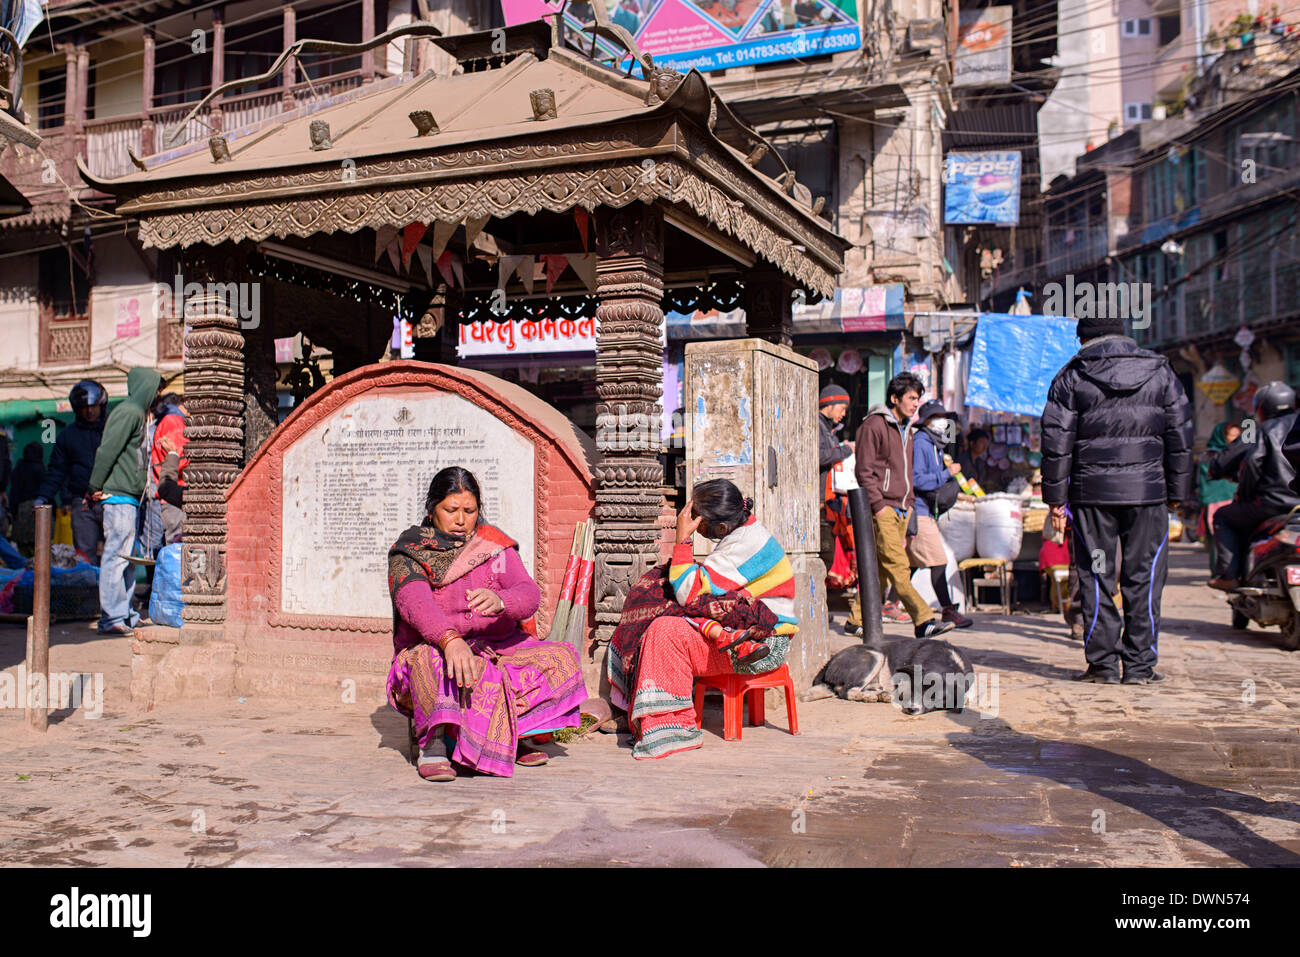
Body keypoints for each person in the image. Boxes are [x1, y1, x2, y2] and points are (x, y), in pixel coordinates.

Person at [386, 467, 586, 782]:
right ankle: (434, 743)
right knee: (429, 662)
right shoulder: (411, 551)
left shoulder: (492, 547)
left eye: (470, 510)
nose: (461, 519)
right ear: (432, 509)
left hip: (497, 647)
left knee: (560, 657)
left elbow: (529, 593)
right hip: (437, 648)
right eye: (450, 510)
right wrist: (450, 641)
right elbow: (414, 603)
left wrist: (502, 601)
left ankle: (515, 737)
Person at [1041, 315, 1192, 685]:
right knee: (1145, 578)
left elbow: (1056, 443)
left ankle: (1104, 666)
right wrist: (1177, 494)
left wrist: (1055, 500)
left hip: (1091, 497)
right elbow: (1181, 438)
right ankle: (1140, 667)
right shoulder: (1161, 373)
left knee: (1096, 575)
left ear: (1083, 339)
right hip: (1149, 495)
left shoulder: (1071, 376)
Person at [608, 479, 797, 760]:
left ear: (721, 528)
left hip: (763, 645)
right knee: (653, 605)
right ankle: (644, 714)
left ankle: (672, 728)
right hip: (746, 633)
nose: (695, 525)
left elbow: (690, 593)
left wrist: (682, 540)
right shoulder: (743, 533)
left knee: (665, 630)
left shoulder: (743, 544)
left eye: (698, 521)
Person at [847, 373, 955, 640]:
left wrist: (907, 505)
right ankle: (923, 619)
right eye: (910, 398)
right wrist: (879, 505)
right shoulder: (874, 425)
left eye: (918, 399)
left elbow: (906, 473)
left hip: (901, 509)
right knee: (898, 566)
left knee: (882, 570)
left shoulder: (907, 429)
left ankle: (855, 620)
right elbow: (865, 470)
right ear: (895, 398)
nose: (915, 404)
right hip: (883, 508)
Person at [87, 367, 162, 636]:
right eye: (156, 389)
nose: (159, 395)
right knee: (116, 558)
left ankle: (125, 614)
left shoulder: (139, 416)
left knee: (127, 560)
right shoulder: (128, 412)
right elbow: (107, 450)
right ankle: (111, 618)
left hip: (129, 499)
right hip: (118, 497)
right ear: (147, 388)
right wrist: (94, 486)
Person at [1208, 382, 1300, 590]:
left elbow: (1244, 461)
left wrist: (1244, 493)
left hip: (1271, 505)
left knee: (1223, 516)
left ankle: (1229, 574)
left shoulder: (1253, 427)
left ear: (1262, 408)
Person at [910, 400, 972, 628]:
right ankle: (947, 610)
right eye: (937, 416)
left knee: (909, 564)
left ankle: (885, 604)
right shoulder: (922, 444)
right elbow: (917, 479)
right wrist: (946, 474)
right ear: (927, 421)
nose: (942, 421)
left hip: (927, 511)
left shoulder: (936, 445)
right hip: (920, 510)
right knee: (938, 561)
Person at [34, 379, 107, 563]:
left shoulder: (112, 429)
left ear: (101, 405)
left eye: (93, 406)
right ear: (76, 408)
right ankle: (90, 590)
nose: (89, 411)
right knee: (84, 553)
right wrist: (43, 496)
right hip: (81, 501)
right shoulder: (68, 435)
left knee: (116, 553)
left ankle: (117, 592)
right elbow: (57, 469)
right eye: (84, 407)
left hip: (112, 498)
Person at [818, 384, 853, 586]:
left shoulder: (828, 428)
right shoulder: (816, 425)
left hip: (828, 500)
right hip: (820, 500)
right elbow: (820, 456)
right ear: (829, 404)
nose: (843, 414)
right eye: (842, 407)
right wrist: (846, 450)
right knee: (825, 553)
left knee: (828, 553)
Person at [143, 393, 188, 551]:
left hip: (174, 495)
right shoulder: (174, 421)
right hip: (175, 497)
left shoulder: (172, 420)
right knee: (177, 550)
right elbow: (178, 458)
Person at [1196, 421, 1241, 574]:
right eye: (1231, 435)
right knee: (1216, 541)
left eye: (1237, 436)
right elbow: (1205, 481)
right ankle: (1218, 573)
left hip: (1234, 501)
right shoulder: (1209, 457)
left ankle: (1232, 572)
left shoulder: (1238, 453)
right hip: (1214, 501)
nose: (1234, 439)